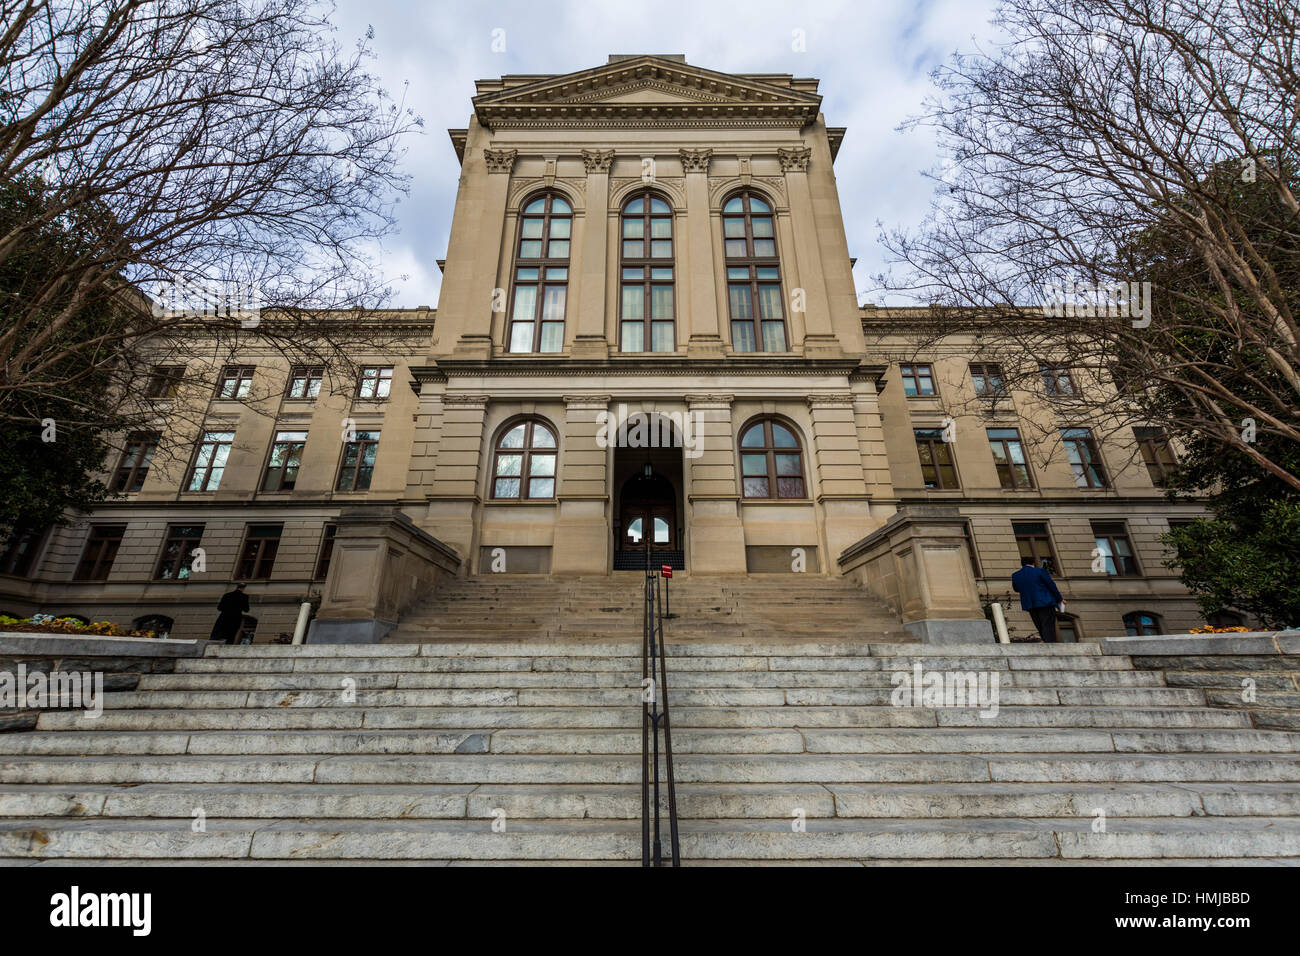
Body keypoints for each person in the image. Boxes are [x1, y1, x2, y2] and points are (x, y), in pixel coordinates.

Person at [1011, 556, 1064, 643]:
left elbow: (1016, 589)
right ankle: (1050, 643)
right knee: (1048, 624)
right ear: (1033, 563)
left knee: (1039, 624)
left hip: (1029, 604)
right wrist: (1059, 599)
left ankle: (1045, 640)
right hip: (1045, 601)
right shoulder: (1039, 571)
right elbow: (1051, 585)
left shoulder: (1016, 575)